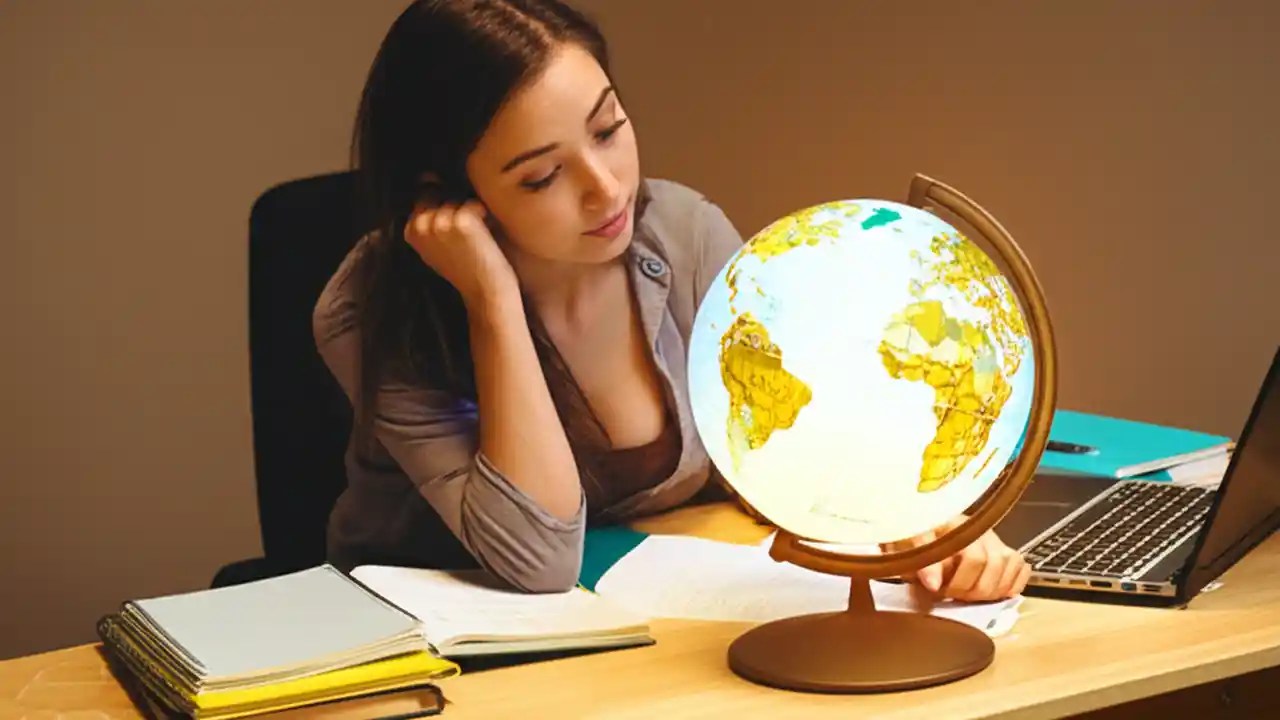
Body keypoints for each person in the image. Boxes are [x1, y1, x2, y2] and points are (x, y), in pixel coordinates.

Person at [314, 0, 1030, 601]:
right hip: (437, 655)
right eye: (541, 177)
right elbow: (535, 563)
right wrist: (492, 301)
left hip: (650, 626)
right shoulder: (370, 311)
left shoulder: (682, 234)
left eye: (608, 128)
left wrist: (909, 519)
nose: (606, 188)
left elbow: (779, 443)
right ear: (448, 190)